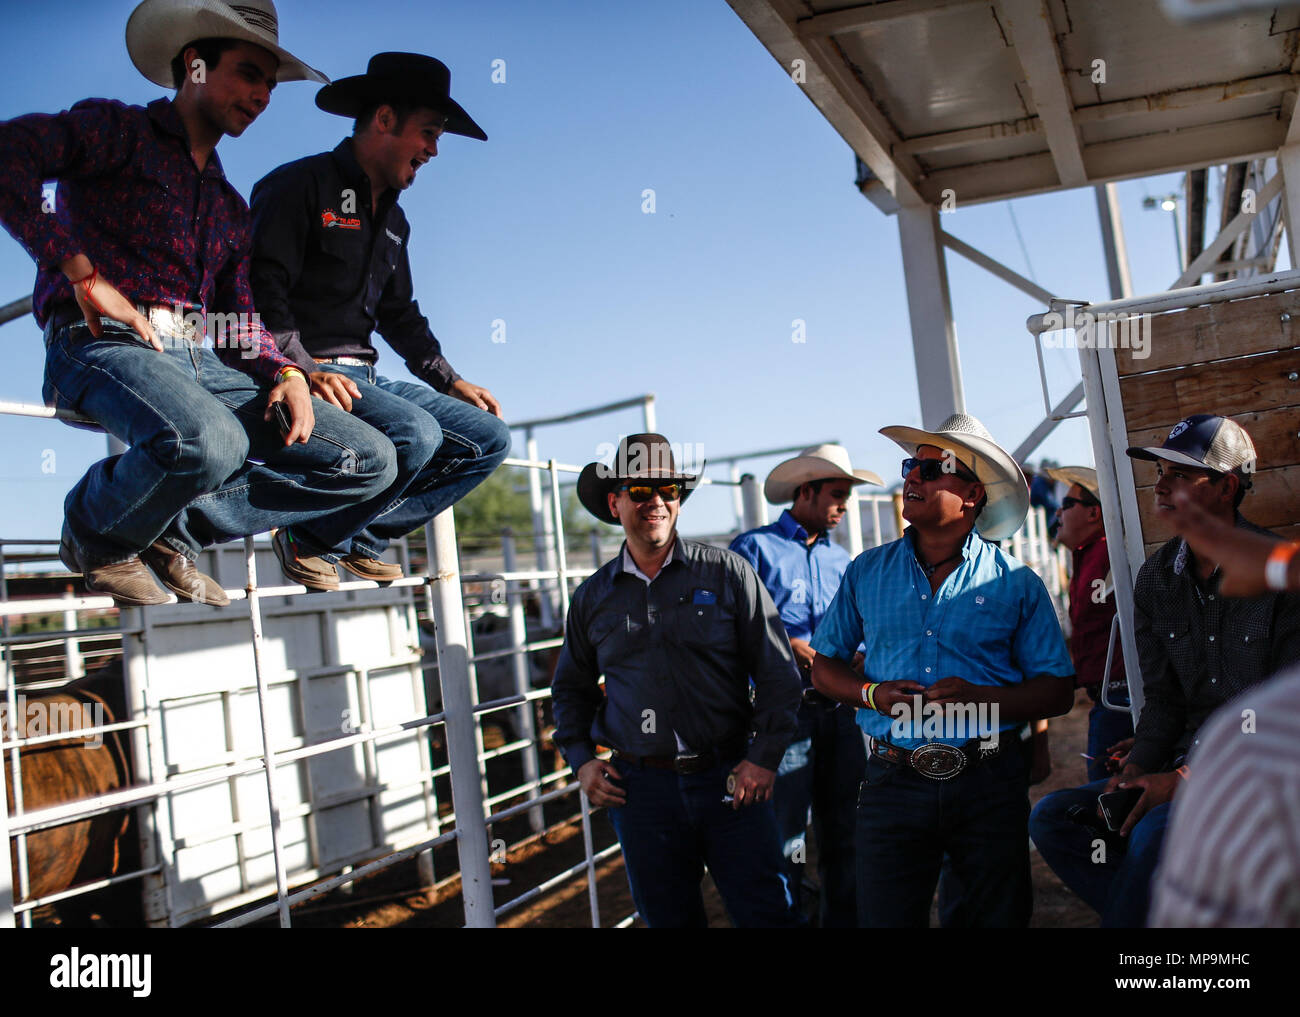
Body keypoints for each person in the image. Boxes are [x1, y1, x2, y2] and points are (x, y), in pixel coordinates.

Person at [0, 0, 400, 606]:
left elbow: (234, 315)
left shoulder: (228, 206)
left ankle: (165, 527)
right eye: (248, 73)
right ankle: (94, 529)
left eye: (270, 84)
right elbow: (10, 154)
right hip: (101, 344)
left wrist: (288, 371)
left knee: (368, 458)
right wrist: (78, 270)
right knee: (212, 441)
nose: (263, 95)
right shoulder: (116, 131)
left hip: (199, 357)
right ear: (194, 66)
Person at [249, 52, 510, 590]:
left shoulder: (395, 219)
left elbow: (399, 314)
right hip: (302, 371)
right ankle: (311, 536)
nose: (435, 150)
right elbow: (260, 290)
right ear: (385, 120)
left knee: (489, 437)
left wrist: (450, 379)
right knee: (415, 433)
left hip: (367, 379)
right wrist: (297, 368)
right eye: (429, 133)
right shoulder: (297, 186)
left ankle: (356, 534)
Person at [1029, 414, 1300, 927]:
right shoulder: (1156, 578)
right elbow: (1164, 703)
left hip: (1263, 778)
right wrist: (1136, 772)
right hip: (1182, 762)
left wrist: (1180, 780)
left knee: (1153, 835)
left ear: (1225, 487)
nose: (1162, 483)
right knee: (1053, 818)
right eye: (1160, 470)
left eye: (1181, 473)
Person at [809, 413, 1075, 928]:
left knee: (992, 918)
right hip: (891, 778)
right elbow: (825, 668)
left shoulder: (1017, 583)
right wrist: (872, 694)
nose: (912, 478)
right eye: (911, 466)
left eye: (933, 471)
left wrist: (984, 700)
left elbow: (1058, 690)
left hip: (988, 779)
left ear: (974, 495)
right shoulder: (866, 570)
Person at [550, 434, 803, 927]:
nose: (657, 501)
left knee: (769, 914)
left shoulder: (728, 573)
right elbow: (570, 690)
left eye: (668, 489)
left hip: (731, 778)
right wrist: (581, 762)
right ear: (614, 501)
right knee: (669, 919)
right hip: (641, 791)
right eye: (640, 492)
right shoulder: (593, 597)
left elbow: (778, 673)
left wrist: (763, 759)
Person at [728, 444, 880, 927]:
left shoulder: (844, 563)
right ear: (806, 491)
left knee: (848, 830)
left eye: (846, 496)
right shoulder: (753, 549)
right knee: (784, 835)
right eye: (836, 494)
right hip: (783, 713)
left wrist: (859, 653)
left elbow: (860, 625)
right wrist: (785, 644)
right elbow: (729, 623)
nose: (843, 505)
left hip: (840, 710)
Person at [1149, 664, 1300, 927]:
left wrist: (1182, 778)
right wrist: (1138, 762)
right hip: (1187, 764)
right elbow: (1161, 703)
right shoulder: (1256, 741)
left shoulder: (1257, 745)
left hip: (1205, 773)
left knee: (1147, 836)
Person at [1044, 466, 1132, 781]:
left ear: (1094, 512)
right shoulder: (1092, 556)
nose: (1058, 512)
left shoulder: (1111, 553)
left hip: (1120, 698)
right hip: (1112, 696)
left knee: (1105, 796)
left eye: (1068, 505)